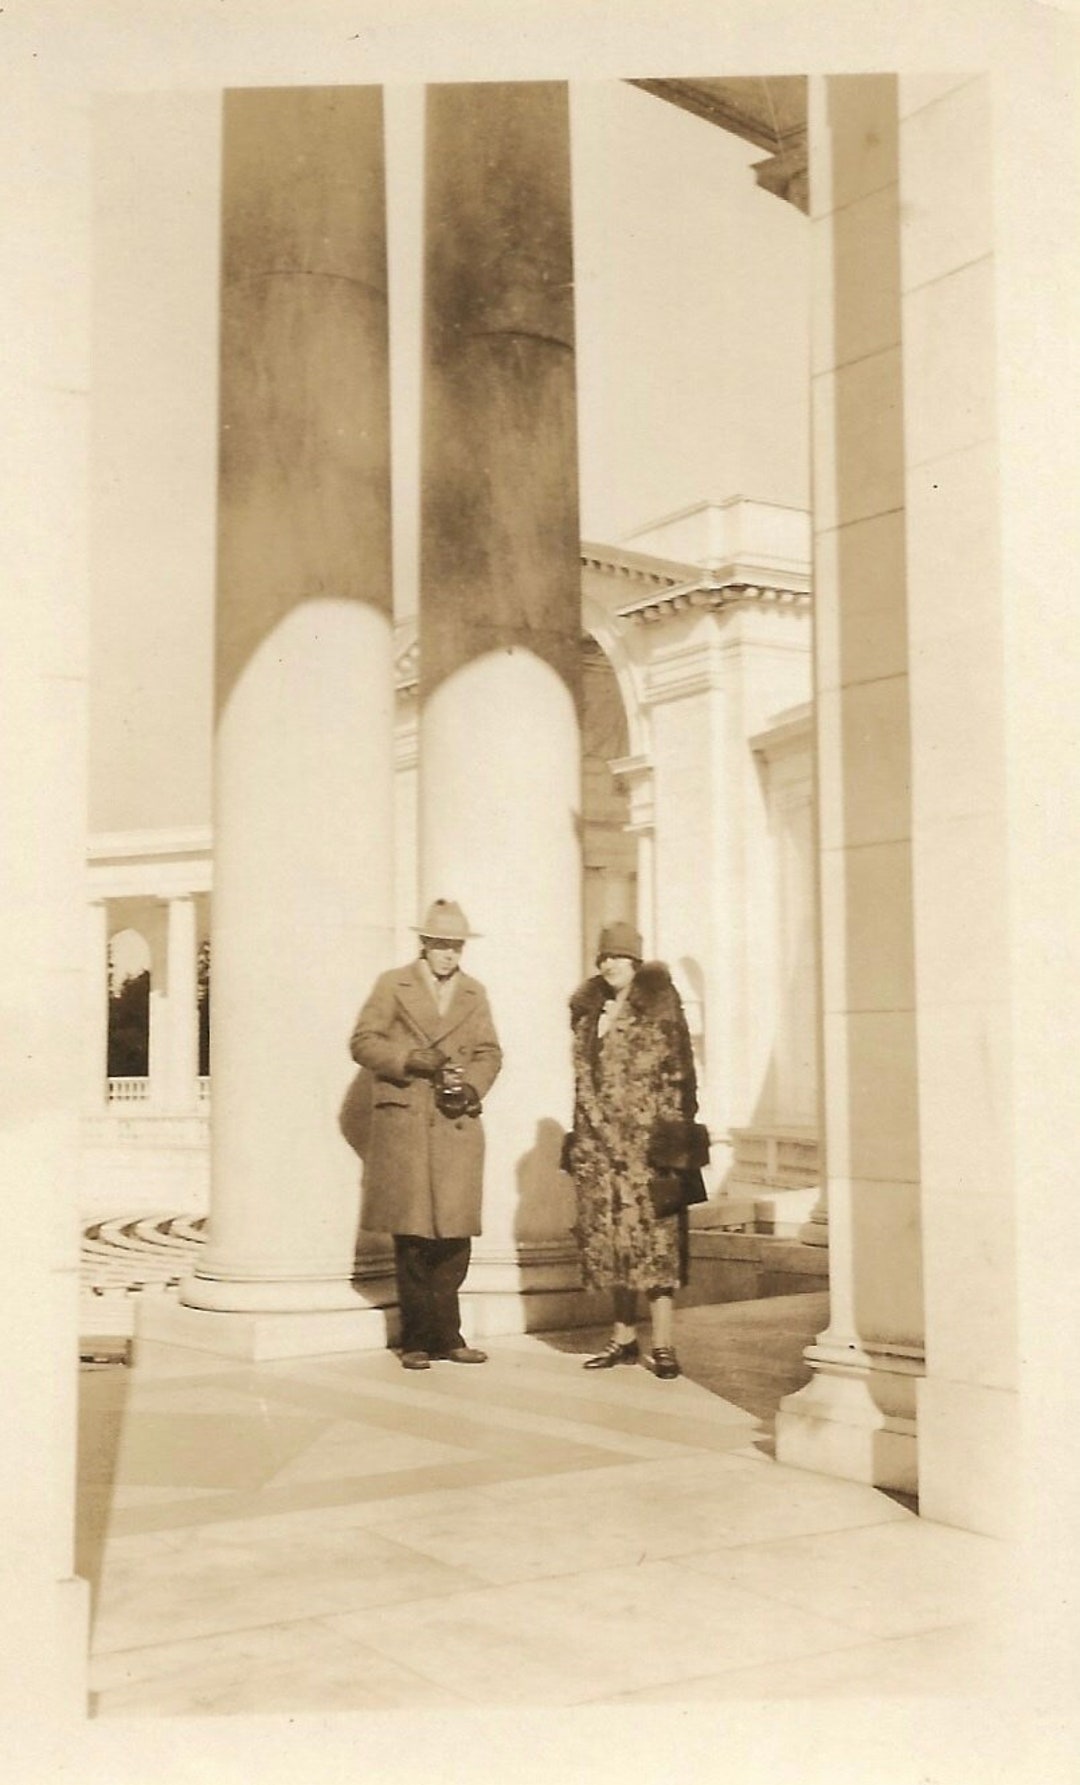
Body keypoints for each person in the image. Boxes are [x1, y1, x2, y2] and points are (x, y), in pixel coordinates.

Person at [349, 899, 503, 1371]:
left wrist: (472, 1086)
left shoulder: (475, 994)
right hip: (408, 1126)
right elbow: (362, 1041)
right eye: (439, 945)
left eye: (455, 946)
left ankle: (449, 1337)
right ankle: (416, 1340)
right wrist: (408, 1059)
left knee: (454, 1237)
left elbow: (490, 1052)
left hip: (456, 1124)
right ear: (424, 944)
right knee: (414, 1238)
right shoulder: (391, 985)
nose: (448, 955)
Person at [563, 920, 705, 1381]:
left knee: (656, 1249)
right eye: (604, 957)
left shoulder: (661, 1007)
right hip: (600, 1152)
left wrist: (671, 1144)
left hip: (648, 1152)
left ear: (636, 962)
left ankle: (663, 1345)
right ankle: (622, 1339)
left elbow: (681, 1077)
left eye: (618, 957)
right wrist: (583, 1142)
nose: (609, 964)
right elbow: (583, 1086)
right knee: (612, 1245)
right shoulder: (588, 1016)